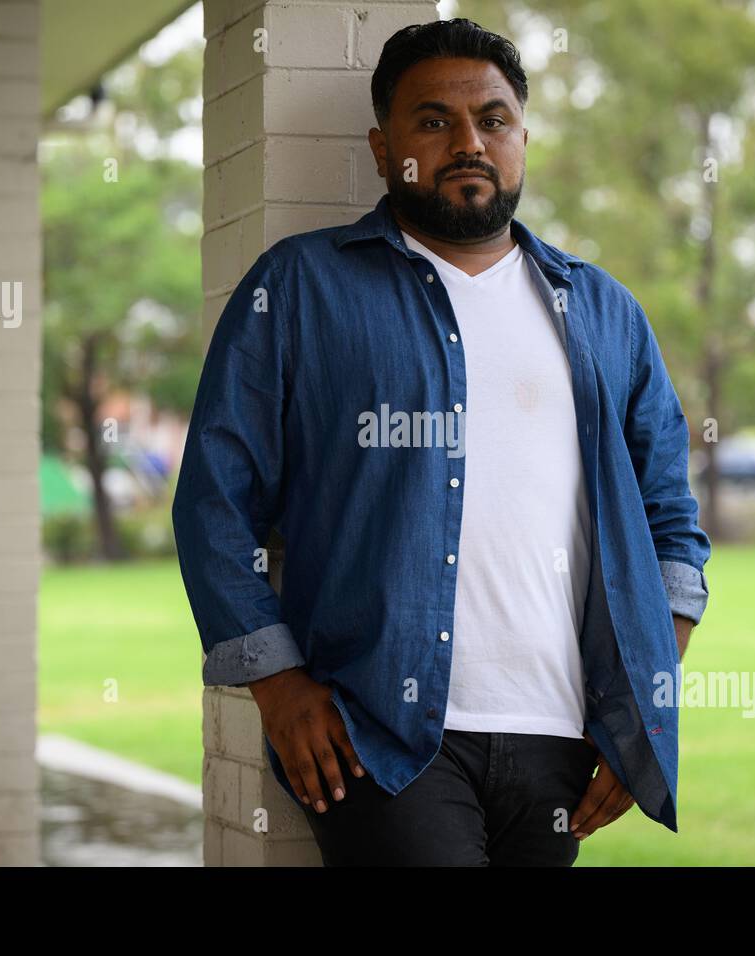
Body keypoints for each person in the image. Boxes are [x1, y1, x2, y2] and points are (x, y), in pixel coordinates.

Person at [172, 17, 711, 866]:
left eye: (492, 120)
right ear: (384, 151)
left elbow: (672, 526)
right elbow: (214, 502)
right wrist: (277, 687)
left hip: (561, 738)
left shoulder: (605, 311)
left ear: (521, 140)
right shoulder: (302, 287)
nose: (469, 142)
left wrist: (642, 697)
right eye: (435, 121)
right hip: (381, 735)